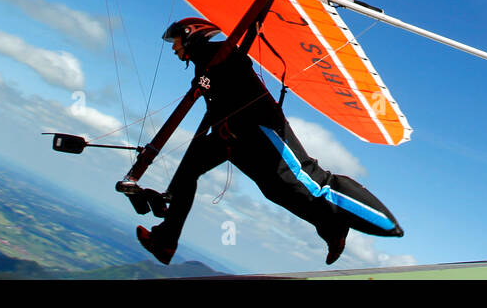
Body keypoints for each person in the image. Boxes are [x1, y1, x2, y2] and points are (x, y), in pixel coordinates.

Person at [134, 17, 403, 267]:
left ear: (189, 35)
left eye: (175, 42)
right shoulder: (204, 66)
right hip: (232, 136)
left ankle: (372, 223)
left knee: (305, 183)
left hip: (260, 127)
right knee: (254, 185)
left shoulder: (220, 53)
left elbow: (240, 63)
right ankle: (165, 241)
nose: (173, 48)